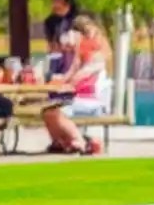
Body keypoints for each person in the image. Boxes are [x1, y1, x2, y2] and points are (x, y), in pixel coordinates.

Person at [40, 16, 109, 155]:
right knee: (47, 112)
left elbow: (81, 74)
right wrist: (61, 82)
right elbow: (73, 71)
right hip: (76, 98)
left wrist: (67, 84)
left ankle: (81, 143)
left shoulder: (97, 56)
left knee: (56, 112)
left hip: (90, 101)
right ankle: (60, 142)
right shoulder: (80, 53)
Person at [44, 0, 80, 78]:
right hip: (57, 60)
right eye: (54, 1)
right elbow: (51, 44)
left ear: (67, 3)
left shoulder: (78, 19)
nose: (55, 5)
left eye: (58, 1)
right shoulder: (50, 21)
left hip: (75, 60)